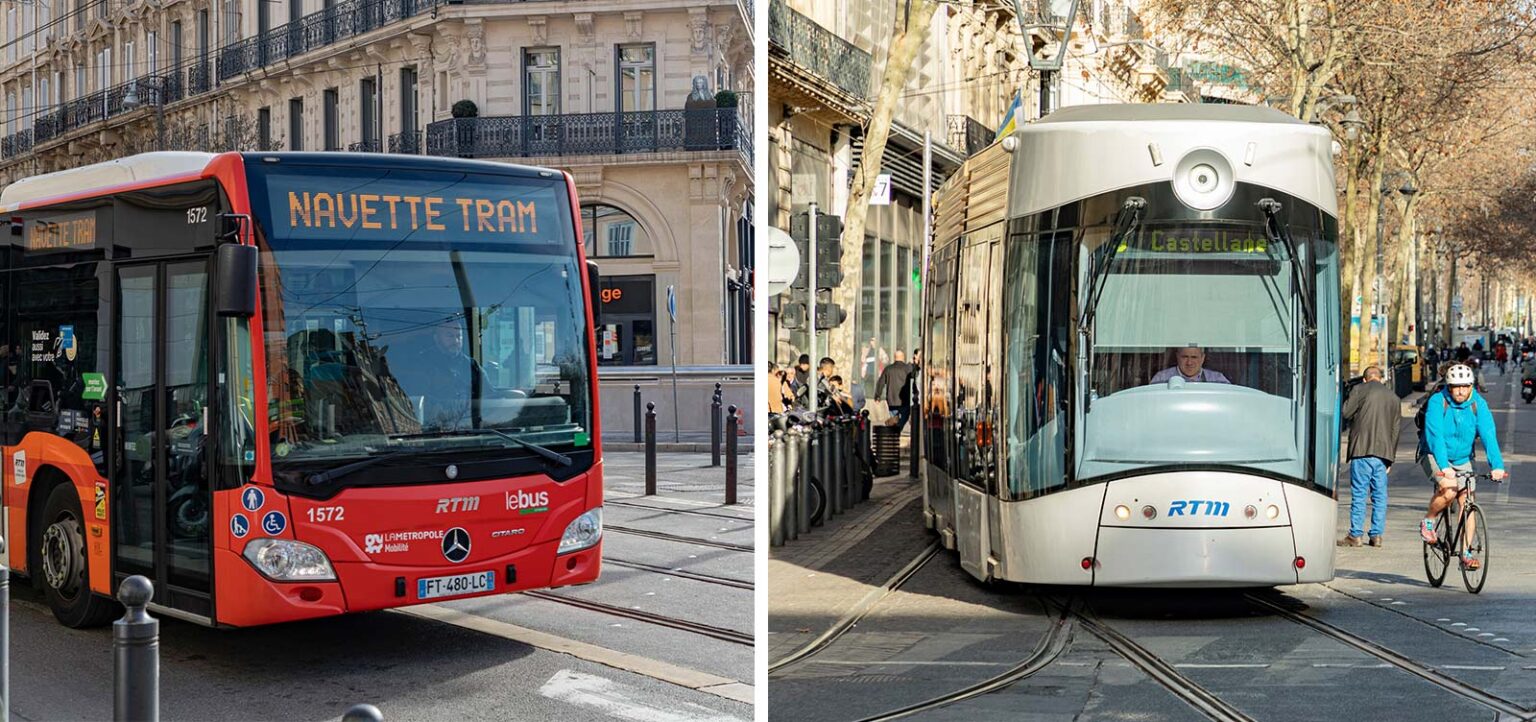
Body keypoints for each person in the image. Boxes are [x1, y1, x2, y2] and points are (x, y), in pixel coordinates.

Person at [1420, 363, 1508, 570]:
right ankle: (1429, 520)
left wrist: (1497, 466)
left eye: (1465, 386)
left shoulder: (1478, 404)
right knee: (1449, 491)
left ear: (1471, 386)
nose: (1460, 391)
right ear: (1448, 386)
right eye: (1455, 386)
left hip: (1463, 457)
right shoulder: (1437, 401)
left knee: (1467, 503)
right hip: (1434, 453)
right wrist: (1444, 466)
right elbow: (1436, 437)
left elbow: (1488, 435)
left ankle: (1466, 554)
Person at [1338, 366, 1400, 547]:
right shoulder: (1393, 397)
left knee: (1359, 493)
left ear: (1365, 379)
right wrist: (1391, 458)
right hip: (1383, 453)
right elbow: (1395, 430)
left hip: (1361, 449)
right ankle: (1376, 535)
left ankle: (1355, 534)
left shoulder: (1359, 389)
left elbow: (1346, 412)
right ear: (1380, 378)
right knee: (1379, 495)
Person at [875, 350, 915, 432]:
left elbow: (881, 382)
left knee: (894, 419)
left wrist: (877, 395)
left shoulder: (888, 369)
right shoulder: (907, 368)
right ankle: (896, 431)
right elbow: (915, 379)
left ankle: (894, 429)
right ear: (903, 357)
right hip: (904, 400)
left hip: (891, 400)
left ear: (894, 358)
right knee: (904, 417)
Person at [1150, 345, 1231, 384]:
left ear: (1202, 358)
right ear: (1177, 356)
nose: (1189, 362)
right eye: (1185, 357)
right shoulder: (1161, 378)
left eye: (1194, 357)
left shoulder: (1217, 379)